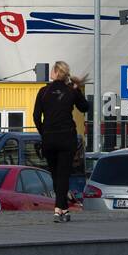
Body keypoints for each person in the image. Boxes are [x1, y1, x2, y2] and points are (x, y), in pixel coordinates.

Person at [32, 60, 89, 222]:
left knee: (55, 174)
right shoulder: (71, 90)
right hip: (67, 137)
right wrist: (78, 91)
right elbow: (85, 107)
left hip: (49, 138)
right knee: (64, 174)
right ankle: (60, 209)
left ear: (56, 72)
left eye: (52, 70)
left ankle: (62, 208)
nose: (51, 72)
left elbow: (36, 117)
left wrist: (44, 133)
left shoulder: (43, 91)